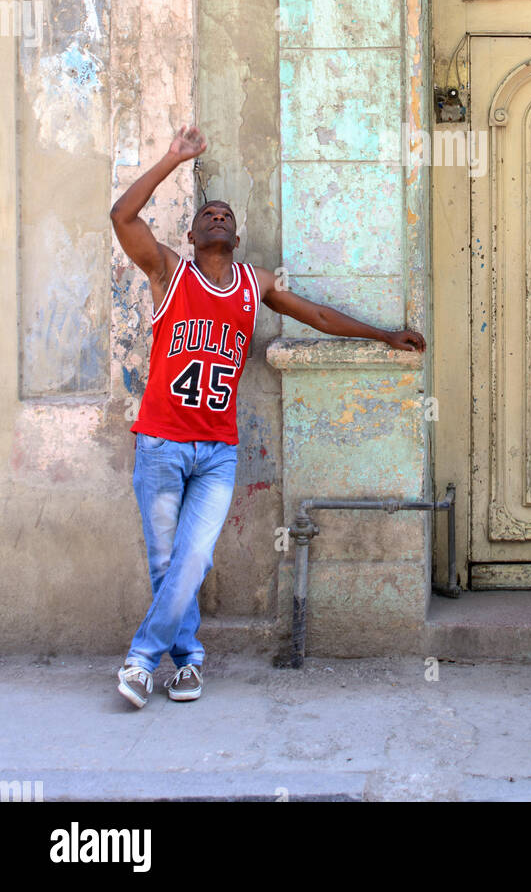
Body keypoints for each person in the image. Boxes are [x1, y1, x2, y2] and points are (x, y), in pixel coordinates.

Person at [110, 125, 425, 708]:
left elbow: (320, 316)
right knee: (165, 561)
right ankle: (188, 664)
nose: (219, 217)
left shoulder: (256, 286)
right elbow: (123, 217)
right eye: (209, 214)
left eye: (227, 214)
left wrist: (384, 336)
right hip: (160, 440)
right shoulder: (168, 274)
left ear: (237, 233)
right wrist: (173, 158)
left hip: (217, 452)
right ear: (192, 233)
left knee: (194, 556)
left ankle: (140, 661)